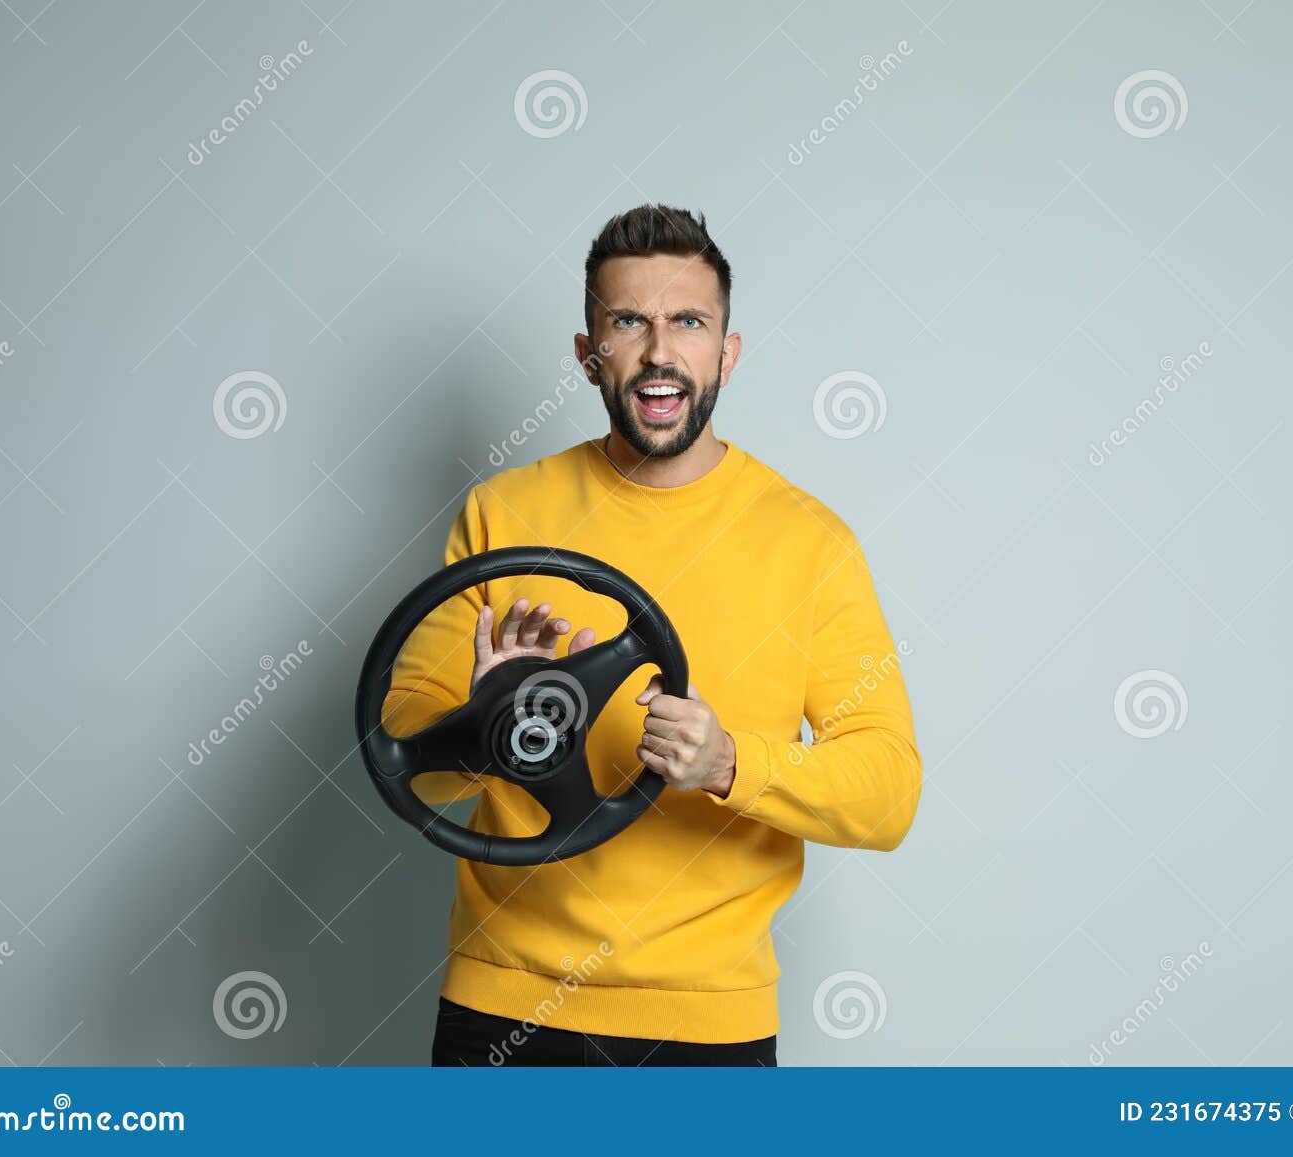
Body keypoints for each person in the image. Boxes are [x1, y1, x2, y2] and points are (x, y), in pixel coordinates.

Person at [381, 204, 923, 1067]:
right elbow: (408, 760)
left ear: (727, 354)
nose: (660, 351)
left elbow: (888, 794)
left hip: (710, 1026)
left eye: (689, 323)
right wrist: (488, 723)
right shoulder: (502, 514)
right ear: (588, 354)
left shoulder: (810, 542)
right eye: (629, 321)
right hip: (501, 1006)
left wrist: (730, 764)